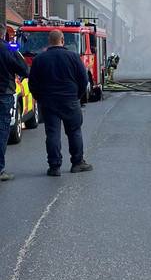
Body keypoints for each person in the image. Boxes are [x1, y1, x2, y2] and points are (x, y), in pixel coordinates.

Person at [28, 28, 93, 176]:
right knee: (74, 132)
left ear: (49, 41)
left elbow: (33, 82)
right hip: (70, 99)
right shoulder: (73, 57)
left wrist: (40, 97)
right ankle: (77, 163)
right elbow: (83, 79)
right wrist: (77, 95)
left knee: (52, 133)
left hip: (48, 101)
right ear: (63, 40)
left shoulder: (39, 59)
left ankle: (54, 167)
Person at [0, 23, 30, 182]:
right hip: (3, 94)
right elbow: (24, 69)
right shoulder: (8, 49)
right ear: (3, 33)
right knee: (1, 130)